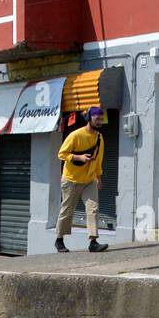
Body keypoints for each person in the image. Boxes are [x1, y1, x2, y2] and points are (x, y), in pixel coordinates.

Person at [55, 106, 109, 253]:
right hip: (71, 180)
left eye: (101, 119)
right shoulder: (75, 135)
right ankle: (59, 240)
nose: (99, 122)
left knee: (93, 208)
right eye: (97, 119)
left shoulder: (99, 137)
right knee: (67, 210)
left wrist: (98, 176)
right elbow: (61, 153)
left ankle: (93, 242)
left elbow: (98, 159)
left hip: (89, 180)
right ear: (89, 119)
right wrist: (79, 157)